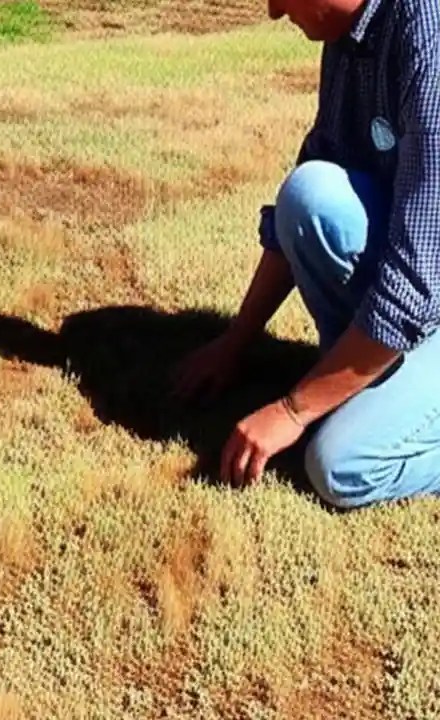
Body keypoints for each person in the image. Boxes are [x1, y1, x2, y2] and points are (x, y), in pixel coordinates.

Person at [172, 0, 440, 509]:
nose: (274, 11)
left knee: (341, 465)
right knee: (310, 194)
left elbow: (418, 282)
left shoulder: (431, 34)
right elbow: (303, 200)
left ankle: (369, 401)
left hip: (429, 284)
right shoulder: (347, 36)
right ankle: (369, 386)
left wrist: (294, 410)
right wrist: (235, 341)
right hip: (427, 285)